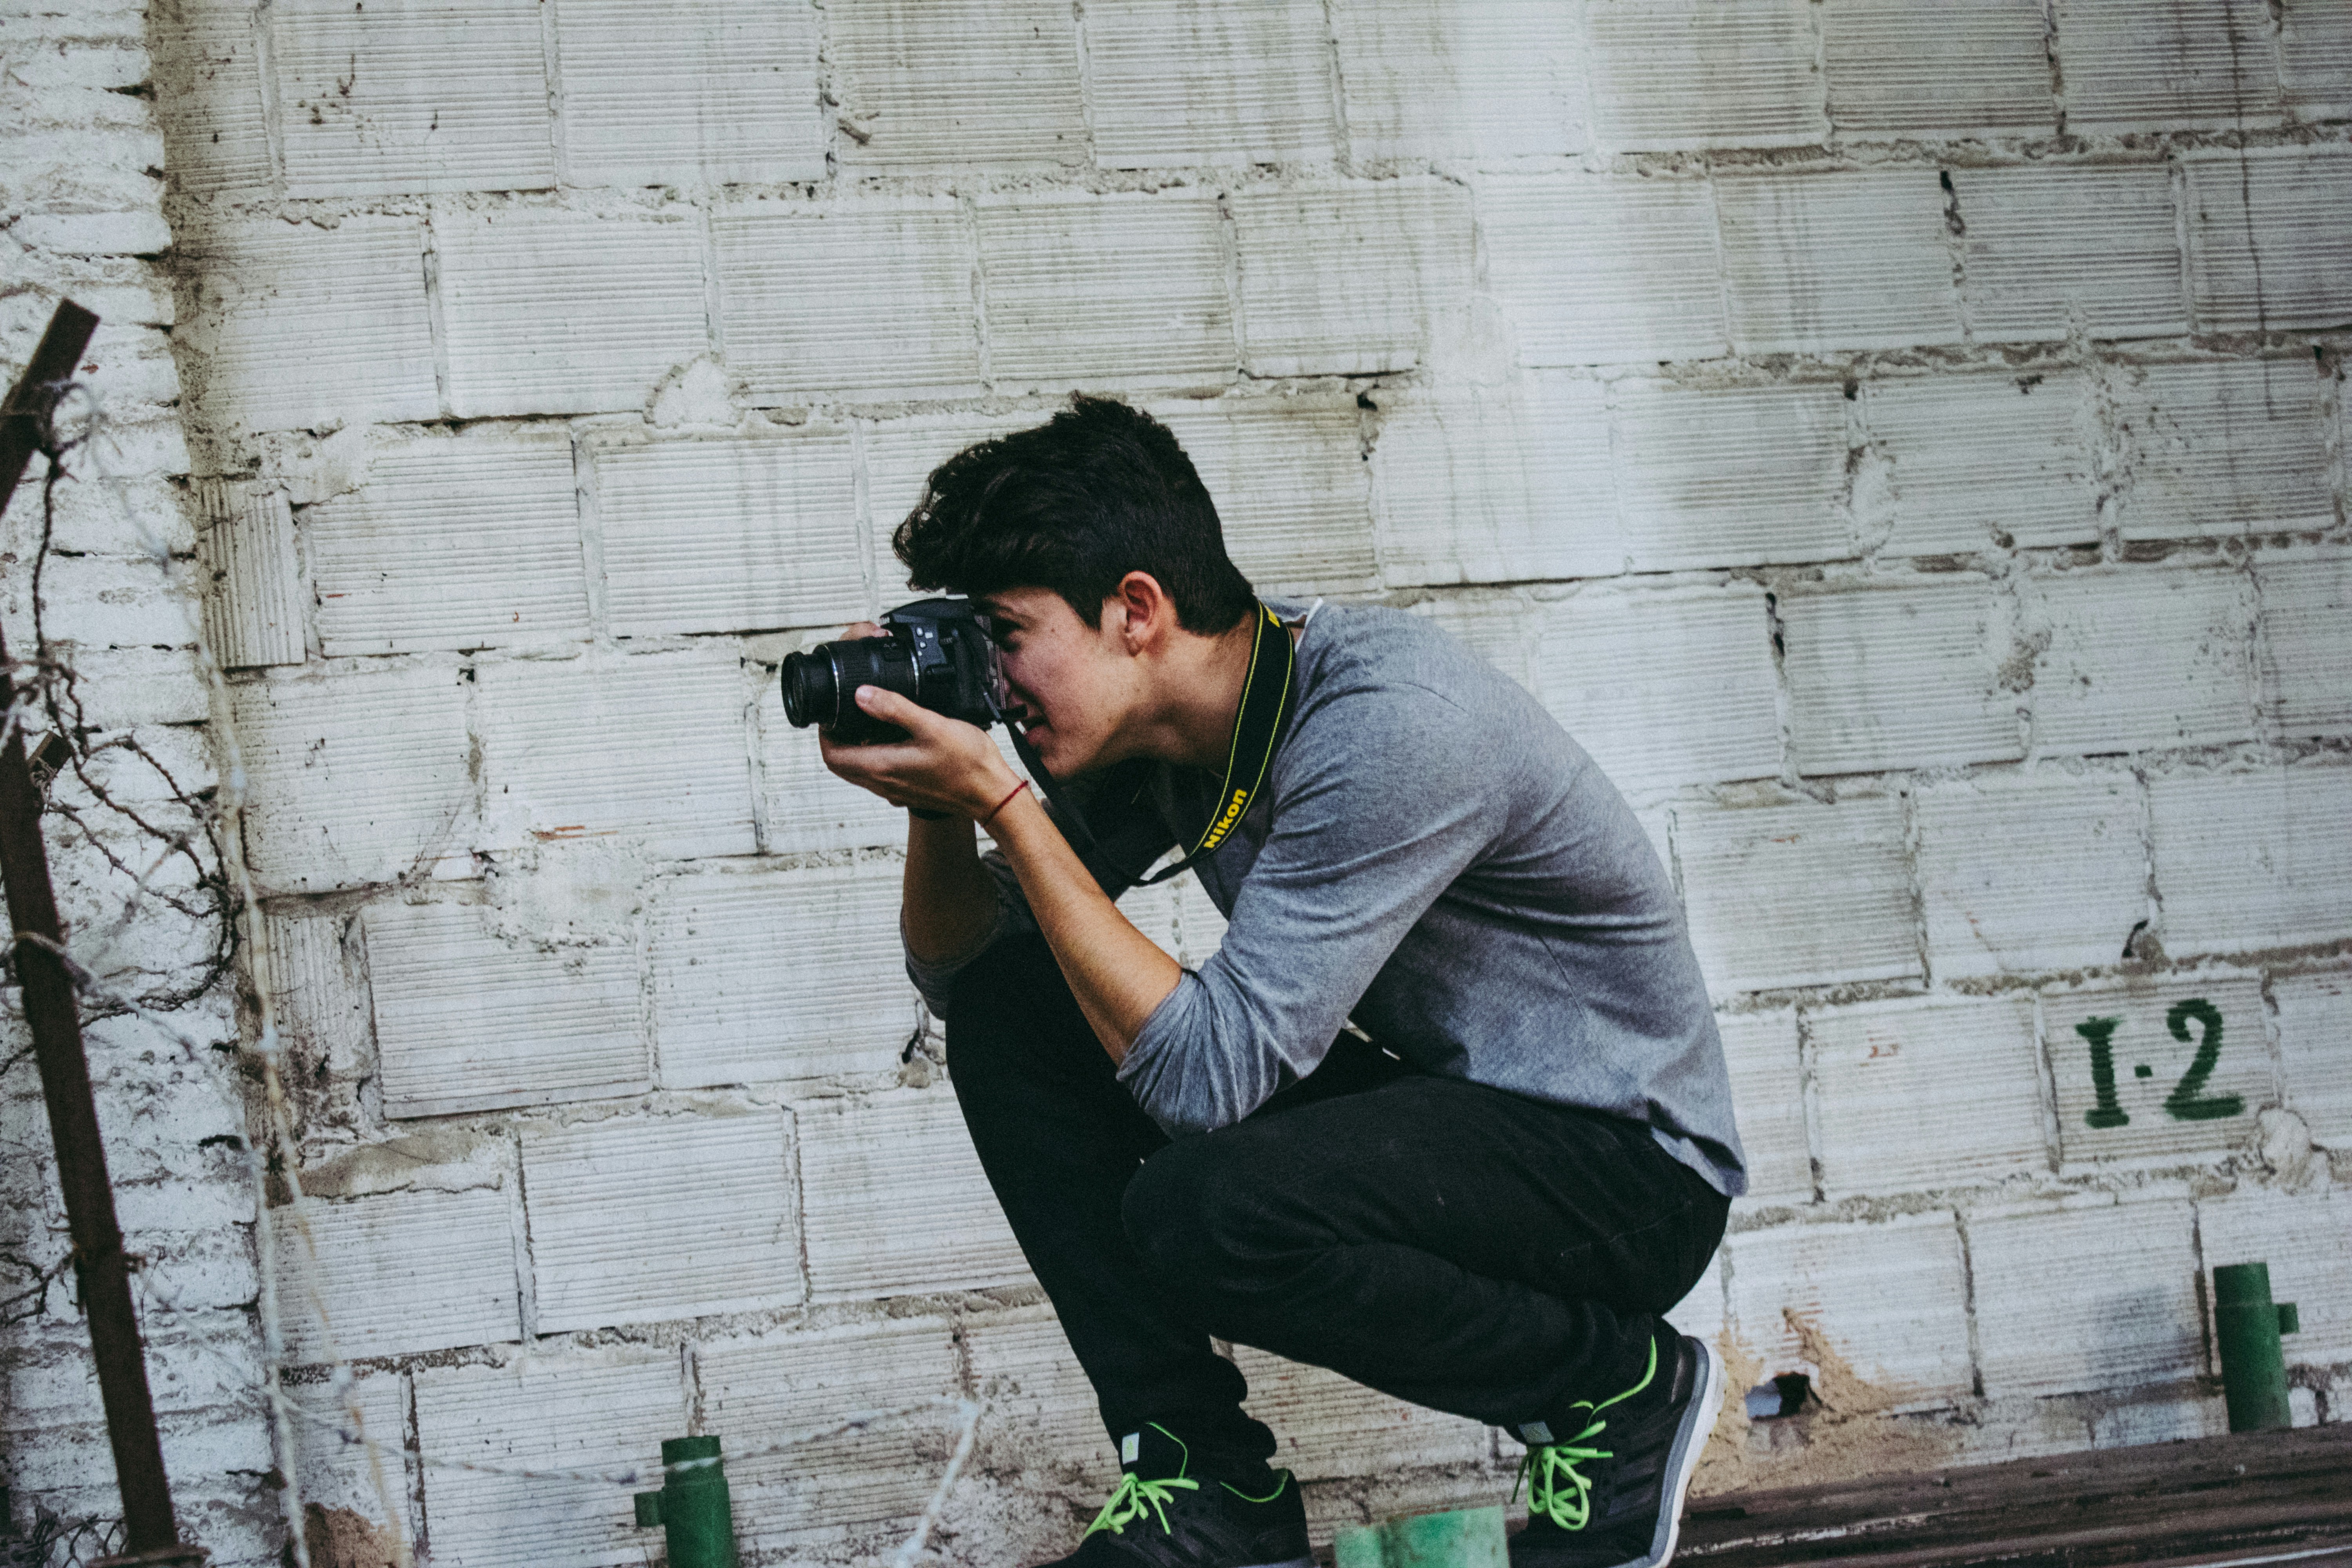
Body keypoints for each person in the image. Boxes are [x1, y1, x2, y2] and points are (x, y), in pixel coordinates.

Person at [819, 396, 1745, 1568]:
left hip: (1628, 1172)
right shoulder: (1167, 735)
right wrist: (934, 810)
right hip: (1468, 1126)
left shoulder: (1386, 727)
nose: (997, 685)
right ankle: (1204, 1482)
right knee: (1016, 1011)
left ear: (1137, 611)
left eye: (1008, 637)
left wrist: (1001, 799)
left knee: (1210, 1211)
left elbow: (1208, 1083)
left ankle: (1620, 1391)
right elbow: (964, 971)